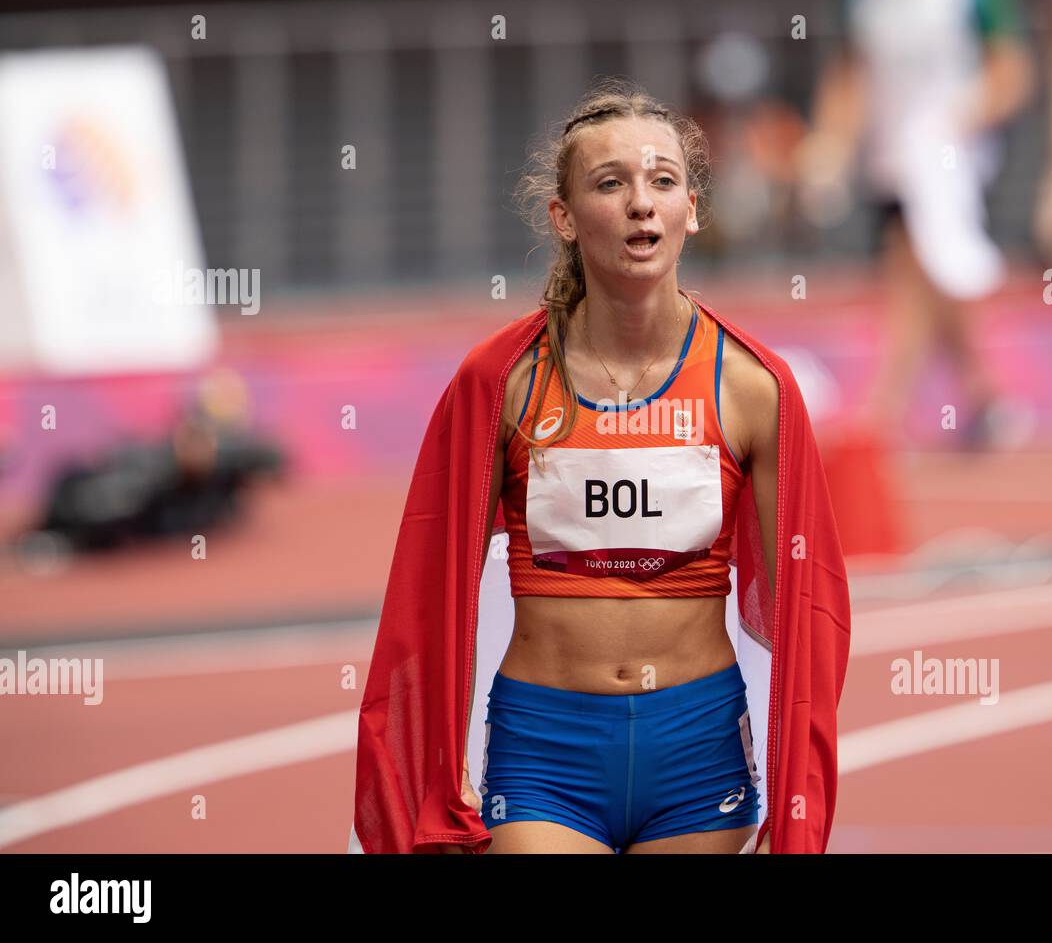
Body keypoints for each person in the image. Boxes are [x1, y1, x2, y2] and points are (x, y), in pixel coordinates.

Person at [349, 79, 853, 854]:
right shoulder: (503, 382)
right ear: (563, 216)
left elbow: (807, 611)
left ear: (694, 209)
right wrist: (424, 781)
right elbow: (428, 585)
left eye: (662, 181)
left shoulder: (754, 389)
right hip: (546, 745)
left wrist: (798, 811)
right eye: (610, 184)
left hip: (697, 747)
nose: (640, 204)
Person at [803, 0, 1035, 448]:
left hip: (951, 167)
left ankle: (888, 407)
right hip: (892, 162)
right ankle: (986, 397)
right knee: (934, 279)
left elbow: (1011, 72)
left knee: (912, 268)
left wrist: (956, 121)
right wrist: (829, 149)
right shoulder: (864, 0)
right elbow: (850, 79)